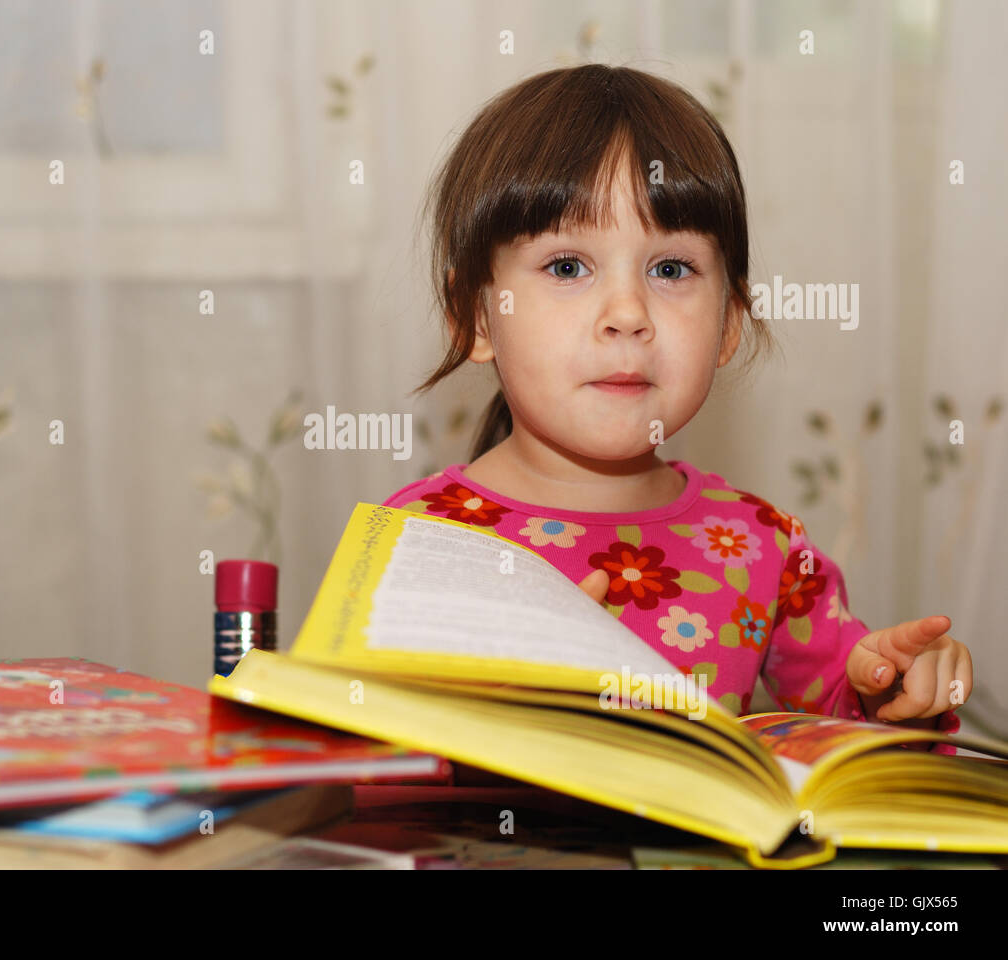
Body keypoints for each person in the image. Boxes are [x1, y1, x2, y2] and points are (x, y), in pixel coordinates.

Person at [382, 65, 971, 753]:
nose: (628, 314)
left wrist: (900, 693)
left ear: (727, 325)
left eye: (671, 270)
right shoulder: (421, 541)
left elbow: (844, 734)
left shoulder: (764, 545)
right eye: (568, 266)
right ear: (473, 318)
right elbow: (367, 781)